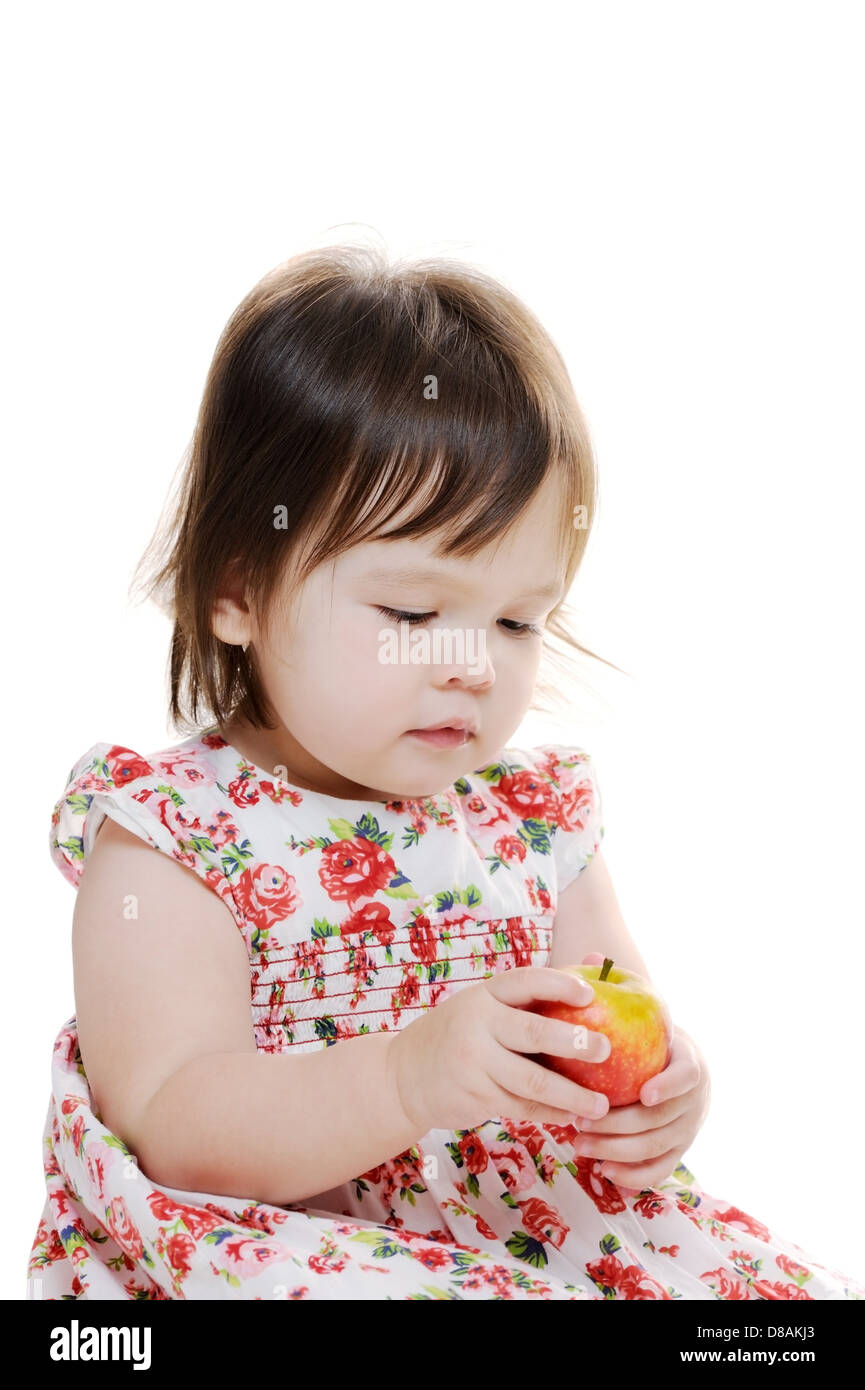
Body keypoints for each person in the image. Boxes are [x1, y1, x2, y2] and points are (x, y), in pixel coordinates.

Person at [27, 244, 865, 1300]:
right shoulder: (172, 838)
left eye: (518, 619)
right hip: (289, 1241)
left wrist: (661, 1091)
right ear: (236, 587)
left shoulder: (532, 818)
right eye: (412, 613)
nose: (469, 663)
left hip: (529, 1222)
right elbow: (173, 1126)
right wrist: (403, 1077)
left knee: (779, 1312)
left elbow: (615, 1006)